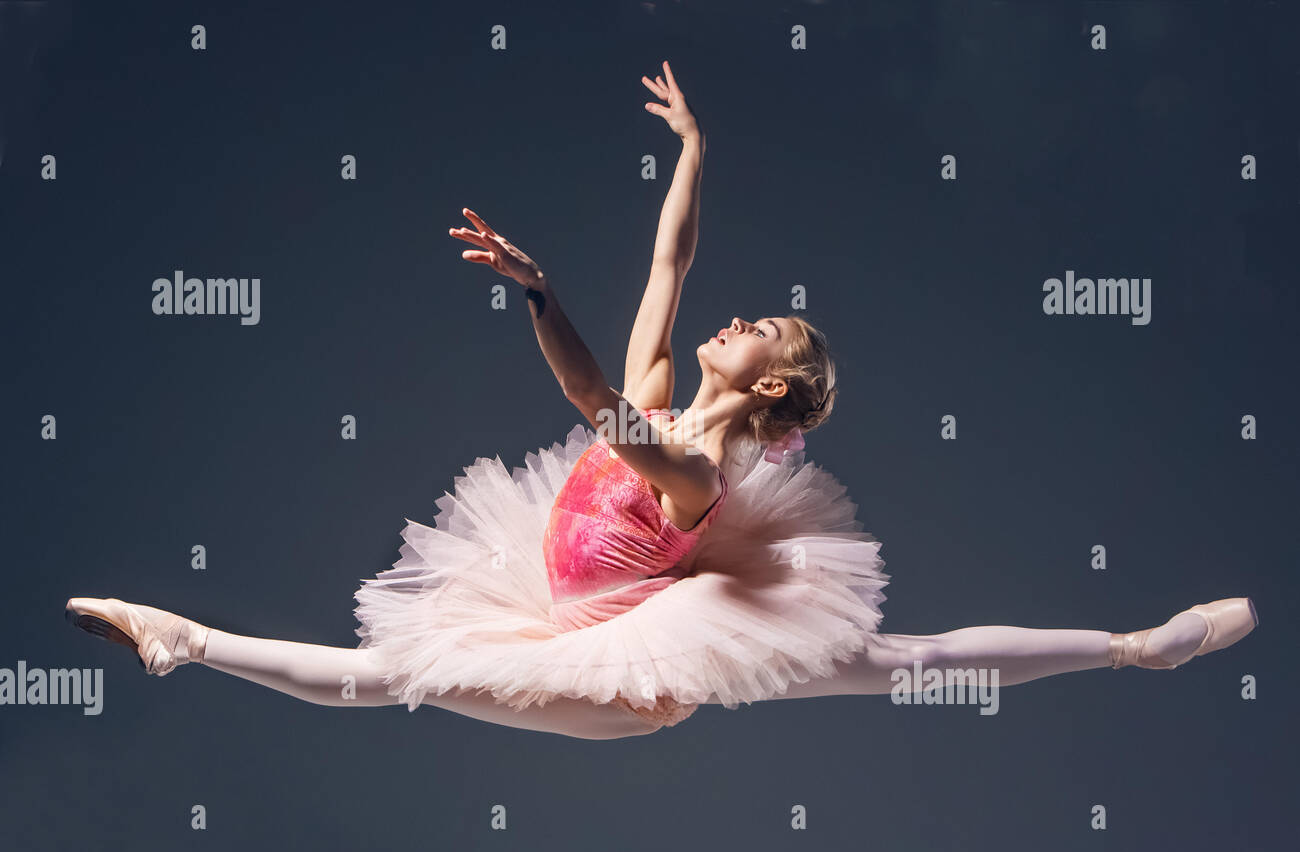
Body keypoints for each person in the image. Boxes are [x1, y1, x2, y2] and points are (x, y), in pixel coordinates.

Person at [62, 61, 1258, 741]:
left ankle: (1130, 648)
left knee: (906, 657)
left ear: (773, 384)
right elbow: (668, 267)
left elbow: (594, 405)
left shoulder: (692, 474)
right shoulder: (668, 395)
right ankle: (183, 637)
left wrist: (536, 292)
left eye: (760, 330)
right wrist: (692, 147)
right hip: (559, 610)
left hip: (630, 674)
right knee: (900, 657)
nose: (731, 323)